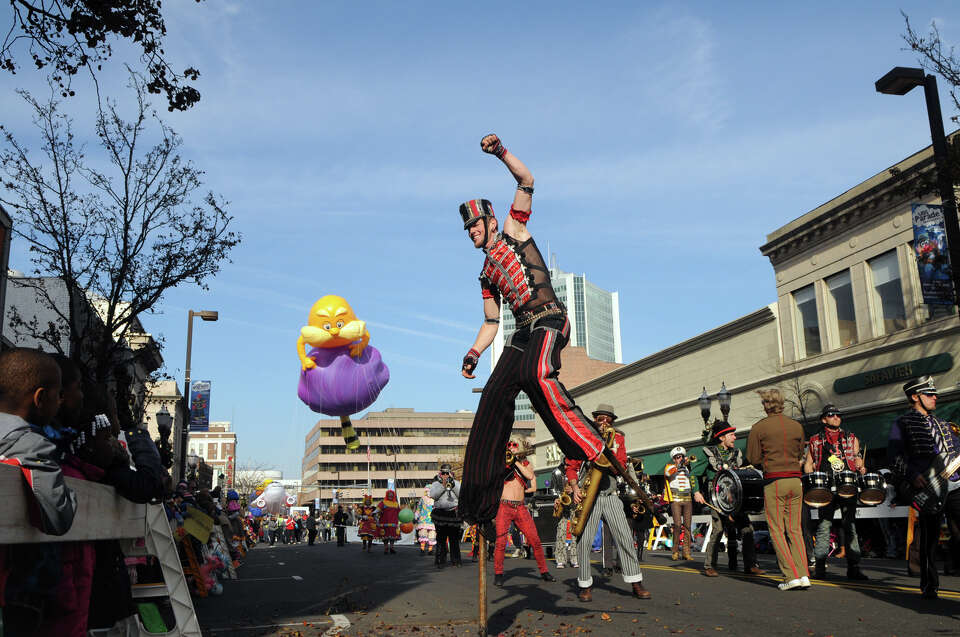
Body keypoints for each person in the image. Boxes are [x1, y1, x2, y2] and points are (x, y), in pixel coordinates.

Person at [457, 134, 623, 528]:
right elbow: (492, 322)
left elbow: (527, 180)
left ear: (490, 220)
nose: (471, 233)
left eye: (475, 226)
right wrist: (474, 353)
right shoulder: (484, 274)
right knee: (495, 395)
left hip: (549, 317)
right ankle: (480, 494)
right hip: (522, 333)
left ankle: (590, 444)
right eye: (466, 231)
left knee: (536, 374)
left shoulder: (514, 228)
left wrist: (500, 153)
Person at [888, 376, 960, 599]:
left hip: (955, 484)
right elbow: (895, 456)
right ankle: (929, 583)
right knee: (930, 537)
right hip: (927, 487)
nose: (935, 397)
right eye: (930, 394)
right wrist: (912, 475)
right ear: (914, 397)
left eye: (935, 393)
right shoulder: (903, 423)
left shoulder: (945, 424)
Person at [567, 405, 649, 601]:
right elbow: (571, 465)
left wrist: (608, 451)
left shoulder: (618, 438)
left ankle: (636, 582)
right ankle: (585, 585)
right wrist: (575, 487)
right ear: (594, 420)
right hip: (588, 497)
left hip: (611, 494)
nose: (603, 422)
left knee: (625, 539)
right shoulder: (583, 436)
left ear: (612, 422)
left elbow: (620, 465)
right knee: (584, 542)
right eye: (600, 418)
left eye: (608, 419)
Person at [747, 388, 810, 591]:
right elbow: (800, 452)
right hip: (795, 480)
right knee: (795, 529)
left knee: (776, 530)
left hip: (774, 480)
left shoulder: (759, 428)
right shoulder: (796, 426)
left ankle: (790, 575)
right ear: (782, 404)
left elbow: (753, 458)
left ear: (766, 405)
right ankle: (803, 574)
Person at [803, 404, 869, 580]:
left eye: (838, 415)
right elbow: (808, 463)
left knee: (851, 526)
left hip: (847, 486)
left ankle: (854, 567)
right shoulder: (815, 439)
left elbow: (856, 457)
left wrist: (861, 465)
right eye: (832, 415)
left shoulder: (850, 437)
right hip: (825, 488)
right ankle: (820, 568)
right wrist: (811, 479)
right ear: (824, 419)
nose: (836, 418)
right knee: (824, 527)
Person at [696, 419, 764, 577]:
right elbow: (695, 474)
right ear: (721, 438)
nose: (735, 437)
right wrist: (696, 492)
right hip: (717, 498)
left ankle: (750, 565)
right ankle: (709, 565)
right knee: (718, 529)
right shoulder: (709, 452)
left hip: (736, 498)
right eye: (731, 435)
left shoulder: (737, 453)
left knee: (747, 529)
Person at [492, 440, 554, 586]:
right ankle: (498, 574)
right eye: (509, 445)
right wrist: (508, 462)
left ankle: (544, 572)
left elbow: (531, 477)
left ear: (519, 448)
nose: (511, 448)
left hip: (520, 507)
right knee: (500, 542)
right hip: (504, 506)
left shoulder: (525, 464)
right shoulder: (501, 465)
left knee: (535, 540)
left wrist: (516, 462)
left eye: (514, 445)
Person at [664, 446, 698, 561]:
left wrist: (688, 465)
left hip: (687, 498)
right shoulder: (670, 467)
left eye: (682, 457)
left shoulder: (688, 468)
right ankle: (675, 551)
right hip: (676, 499)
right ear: (674, 459)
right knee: (678, 524)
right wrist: (679, 465)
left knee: (688, 526)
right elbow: (668, 474)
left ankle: (686, 552)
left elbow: (694, 476)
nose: (680, 458)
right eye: (678, 457)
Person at [429, 463, 462, 568]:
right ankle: (440, 560)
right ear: (440, 473)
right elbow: (433, 496)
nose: (445, 475)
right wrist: (443, 486)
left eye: (447, 473)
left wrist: (453, 483)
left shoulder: (456, 483)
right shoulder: (435, 484)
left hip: (453, 514)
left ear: (450, 473)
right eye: (443, 473)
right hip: (440, 513)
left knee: (454, 539)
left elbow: (461, 495)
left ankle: (456, 560)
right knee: (441, 538)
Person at [553, 483, 578, 569]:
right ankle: (560, 560)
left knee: (575, 536)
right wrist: (557, 505)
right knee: (560, 536)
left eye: (569, 486)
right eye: (567, 486)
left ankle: (575, 559)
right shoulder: (562, 495)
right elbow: (556, 514)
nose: (568, 488)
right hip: (564, 514)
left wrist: (573, 492)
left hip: (575, 511)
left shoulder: (578, 488)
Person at [414, 487, 436, 555]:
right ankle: (422, 549)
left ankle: (430, 550)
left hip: (432, 521)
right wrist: (417, 514)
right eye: (428, 491)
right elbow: (419, 508)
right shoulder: (422, 498)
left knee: (432, 535)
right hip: (423, 520)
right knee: (423, 534)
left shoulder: (435, 499)